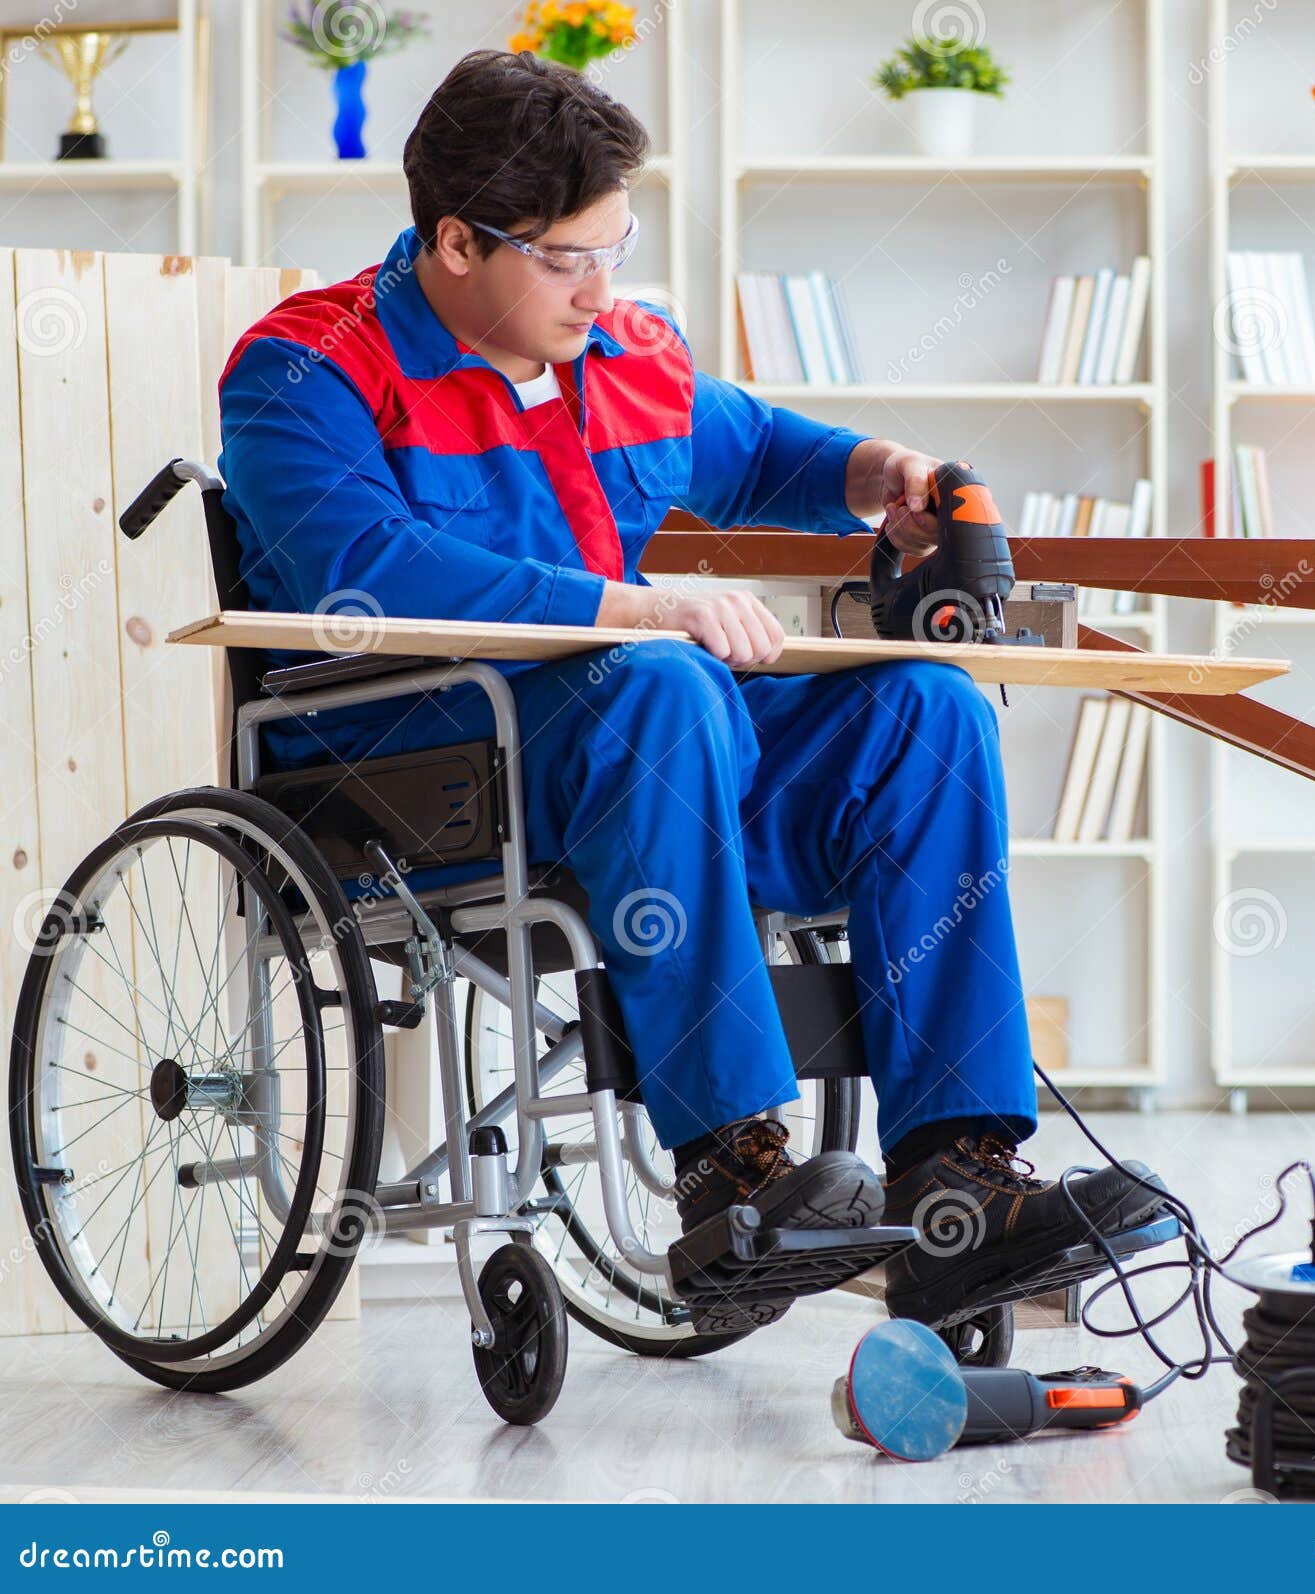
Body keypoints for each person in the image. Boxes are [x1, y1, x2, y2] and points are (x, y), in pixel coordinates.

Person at [217, 49, 1164, 1327]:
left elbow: (759, 448)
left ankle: (956, 1183)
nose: (602, 288)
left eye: (617, 246)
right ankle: (732, 1172)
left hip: (634, 748)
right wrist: (641, 607)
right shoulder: (302, 370)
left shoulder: (616, 348)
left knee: (925, 708)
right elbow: (364, 565)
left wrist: (878, 468)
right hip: (414, 768)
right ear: (454, 241)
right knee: (663, 684)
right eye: (568, 258)